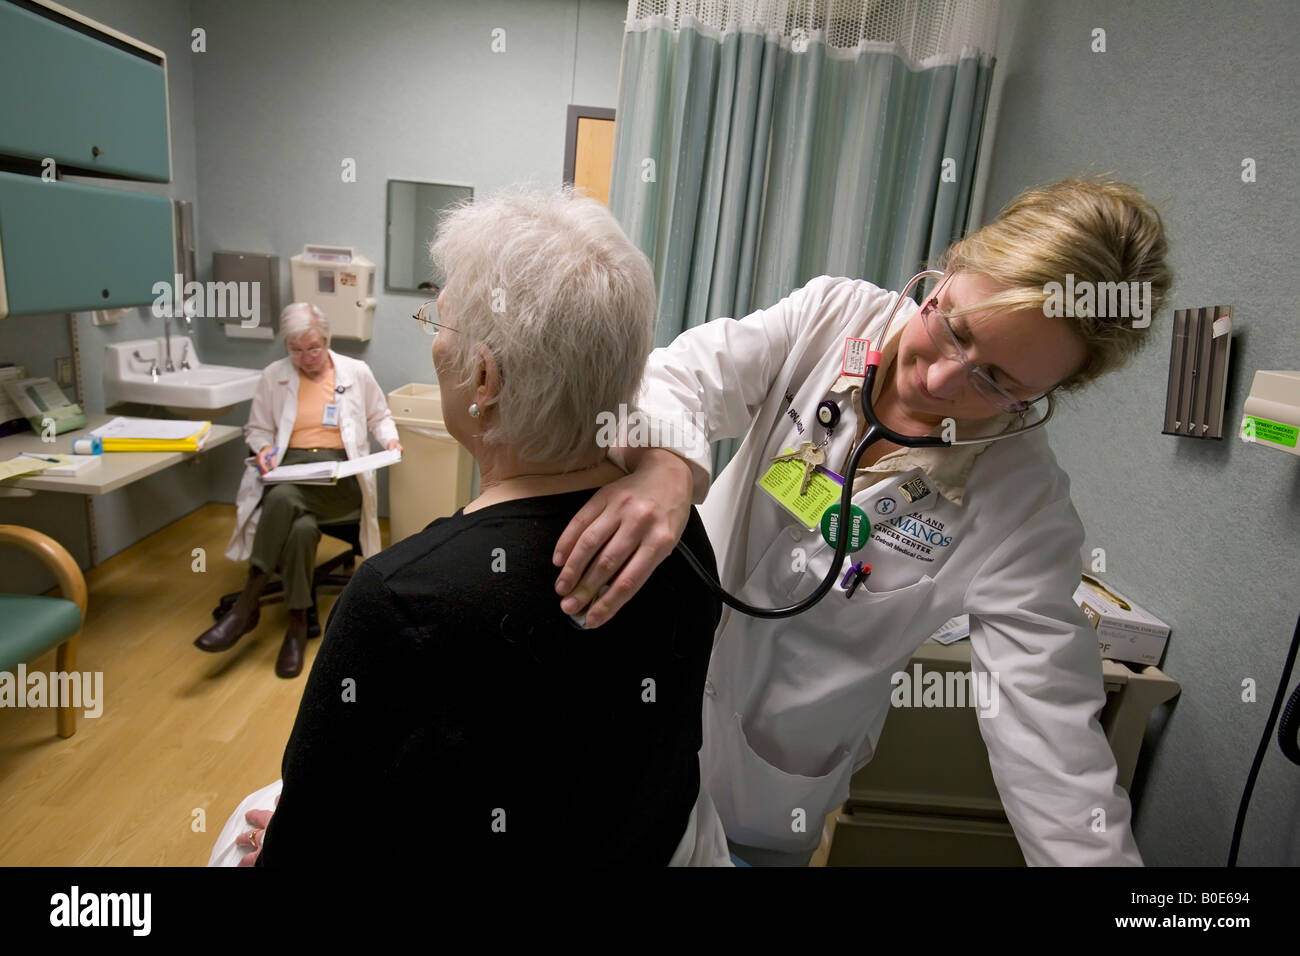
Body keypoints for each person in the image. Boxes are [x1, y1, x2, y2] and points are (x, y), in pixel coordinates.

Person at [549, 177, 1172, 866]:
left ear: (1048, 395)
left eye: (999, 383)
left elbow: (1054, 748)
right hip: (636, 732)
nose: (939, 381)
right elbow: (681, 376)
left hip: (760, 803)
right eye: (952, 326)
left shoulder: (1025, 512)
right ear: (952, 268)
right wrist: (667, 466)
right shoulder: (831, 314)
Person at [207, 186, 731, 866]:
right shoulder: (677, 535)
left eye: (438, 320)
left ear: (483, 377)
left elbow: (311, 845)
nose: (433, 342)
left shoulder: (400, 599)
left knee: (237, 830)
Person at [195, 303, 402, 678]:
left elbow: (378, 416)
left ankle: (247, 605)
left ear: (326, 339)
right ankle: (295, 627)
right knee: (301, 528)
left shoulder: (356, 372)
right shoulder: (274, 375)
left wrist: (390, 442)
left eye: (313, 348)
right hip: (290, 469)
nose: (305, 358)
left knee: (283, 497)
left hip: (339, 479)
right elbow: (256, 429)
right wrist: (262, 449)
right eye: (296, 350)